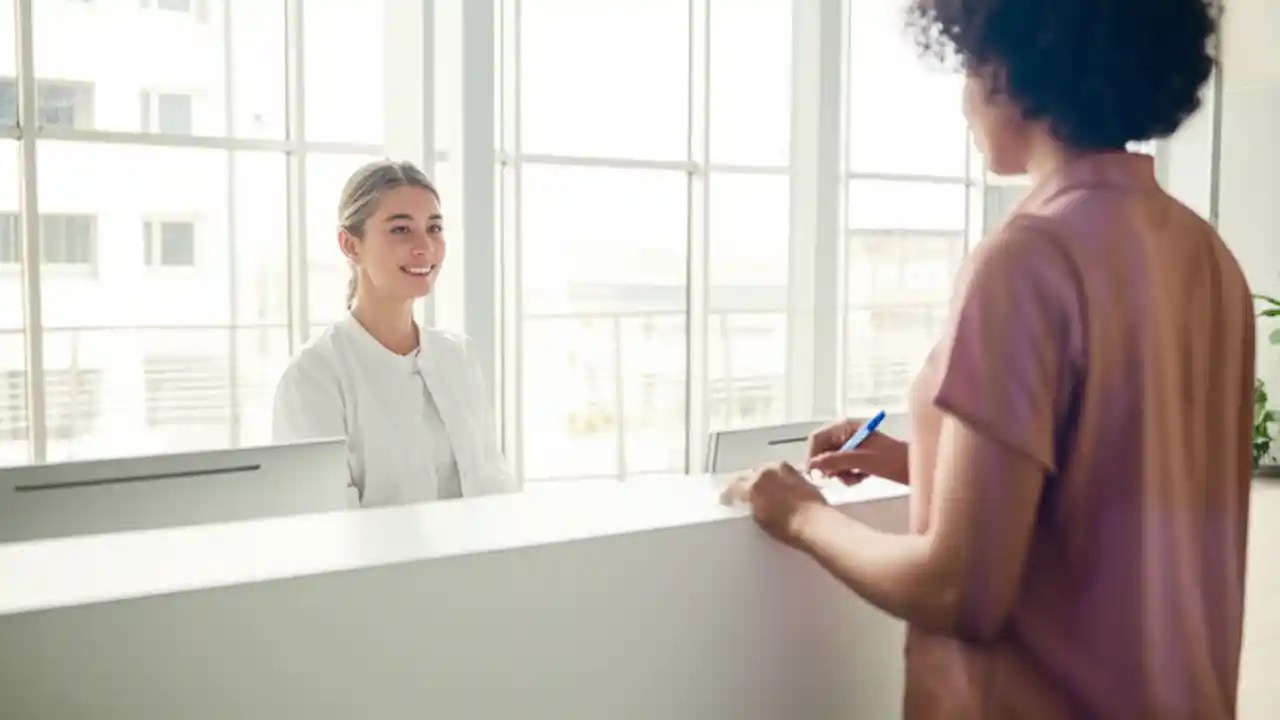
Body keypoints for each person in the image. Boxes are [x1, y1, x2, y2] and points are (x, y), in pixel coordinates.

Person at [725, 1, 1254, 718]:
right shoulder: (1206, 256)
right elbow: (1118, 488)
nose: (965, 100)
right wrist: (920, 460)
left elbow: (960, 591)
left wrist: (798, 516)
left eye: (969, 67)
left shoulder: (1027, 260)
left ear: (1006, 70)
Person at [273, 159, 518, 507]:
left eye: (434, 228)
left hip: (478, 560)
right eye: (401, 230)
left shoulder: (458, 356)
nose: (425, 247)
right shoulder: (314, 375)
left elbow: (494, 486)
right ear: (350, 244)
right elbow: (321, 520)